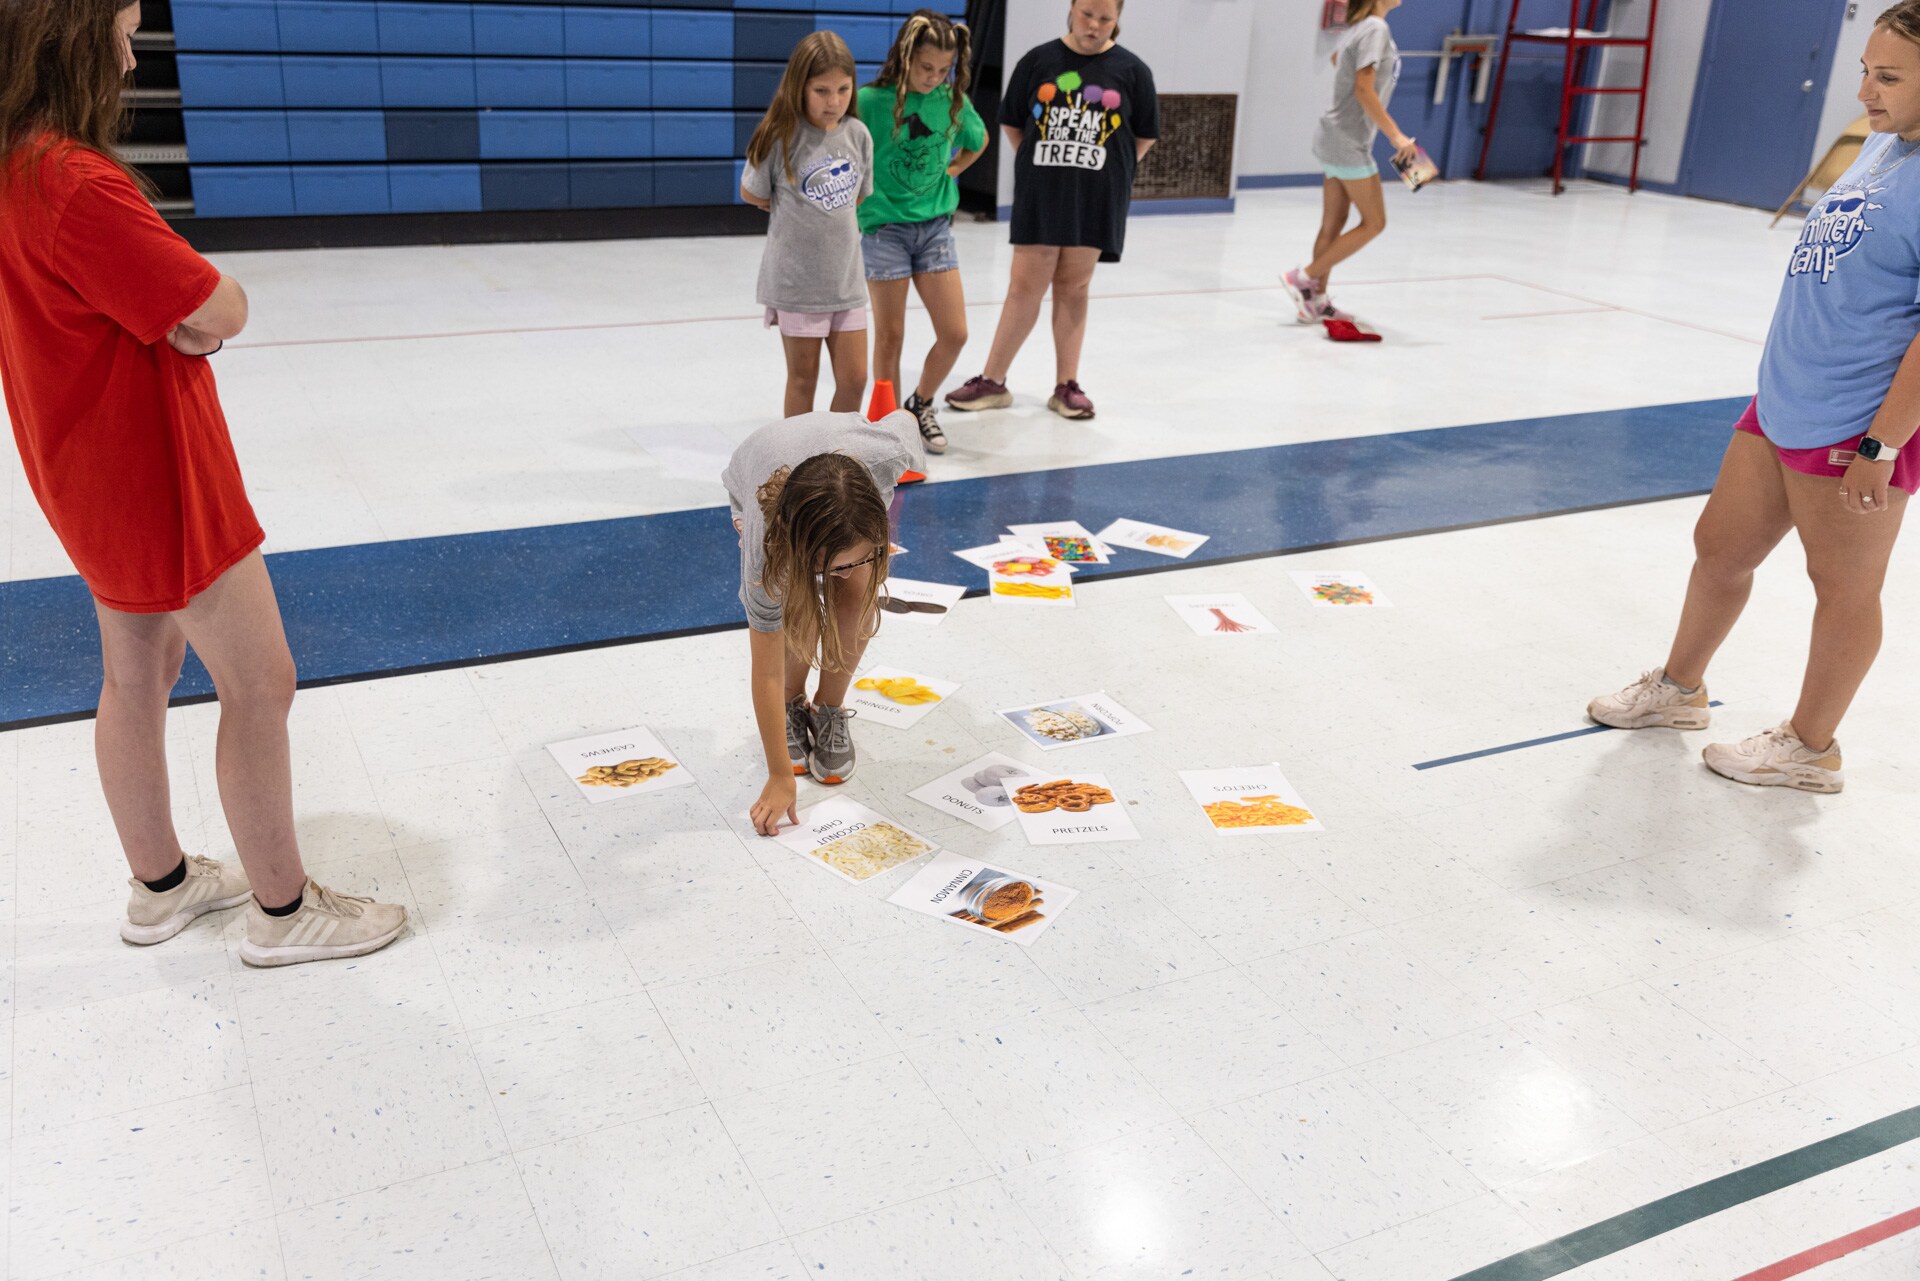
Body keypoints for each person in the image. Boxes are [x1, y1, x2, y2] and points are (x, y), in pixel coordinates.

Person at [0, 0, 405, 963]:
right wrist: (196, 317)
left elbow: (164, 309)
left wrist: (179, 317)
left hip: (80, 470)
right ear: (73, 36)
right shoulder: (74, 181)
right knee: (261, 681)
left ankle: (161, 888)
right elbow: (221, 303)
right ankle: (282, 910)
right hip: (157, 474)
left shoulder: (15, 167)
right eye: (122, 31)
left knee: (133, 674)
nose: (130, 52)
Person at [1587, 1, 1920, 794]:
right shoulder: (1882, 148)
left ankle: (1811, 746)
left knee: (1842, 591)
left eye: (1889, 77)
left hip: (1854, 420)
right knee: (1720, 549)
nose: (1866, 92)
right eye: (1864, 72)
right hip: (1784, 396)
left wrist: (1882, 445)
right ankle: (1679, 689)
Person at [946, 0, 1158, 421]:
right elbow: (1011, 123)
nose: (1094, 26)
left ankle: (1067, 386)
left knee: (1075, 286)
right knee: (1025, 285)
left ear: (1117, 20)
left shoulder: (1133, 71)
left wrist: (1102, 171)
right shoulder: (1038, 60)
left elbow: (1144, 136)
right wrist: (1045, 165)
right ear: (1072, 9)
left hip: (1097, 196)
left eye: (1105, 19)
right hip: (1041, 194)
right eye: (1087, 15)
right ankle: (993, 379)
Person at [724, 410, 925, 835]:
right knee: (798, 607)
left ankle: (828, 707)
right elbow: (765, 670)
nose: (847, 572)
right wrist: (779, 775)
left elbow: (906, 416)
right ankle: (792, 705)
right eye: (833, 567)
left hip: (850, 487)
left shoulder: (888, 457)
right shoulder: (767, 547)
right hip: (758, 474)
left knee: (856, 598)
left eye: (858, 558)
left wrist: (855, 562)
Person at [857, 10, 988, 455]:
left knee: (955, 333)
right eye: (925, 68)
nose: (933, 78)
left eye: (943, 70)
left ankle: (920, 404)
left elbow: (978, 140)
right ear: (905, 57)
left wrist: (952, 171)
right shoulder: (871, 101)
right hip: (884, 231)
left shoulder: (951, 100)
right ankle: (887, 427)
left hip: (934, 230)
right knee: (890, 336)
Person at [742, 32, 875, 419]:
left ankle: (832, 463)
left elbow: (858, 195)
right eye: (821, 91)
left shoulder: (858, 135)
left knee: (854, 379)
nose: (834, 102)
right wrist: (788, 208)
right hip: (797, 284)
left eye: (843, 89)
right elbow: (752, 191)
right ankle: (799, 467)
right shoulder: (779, 136)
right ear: (799, 87)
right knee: (804, 380)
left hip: (846, 283)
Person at [1281, 0, 1416, 332]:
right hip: (1348, 143)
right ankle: (1304, 279)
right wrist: (1397, 137)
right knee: (1374, 222)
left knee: (1334, 222)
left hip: (1334, 136)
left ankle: (1315, 302)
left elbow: (1336, 59)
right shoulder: (1376, 28)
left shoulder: (1361, 26)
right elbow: (1363, 88)